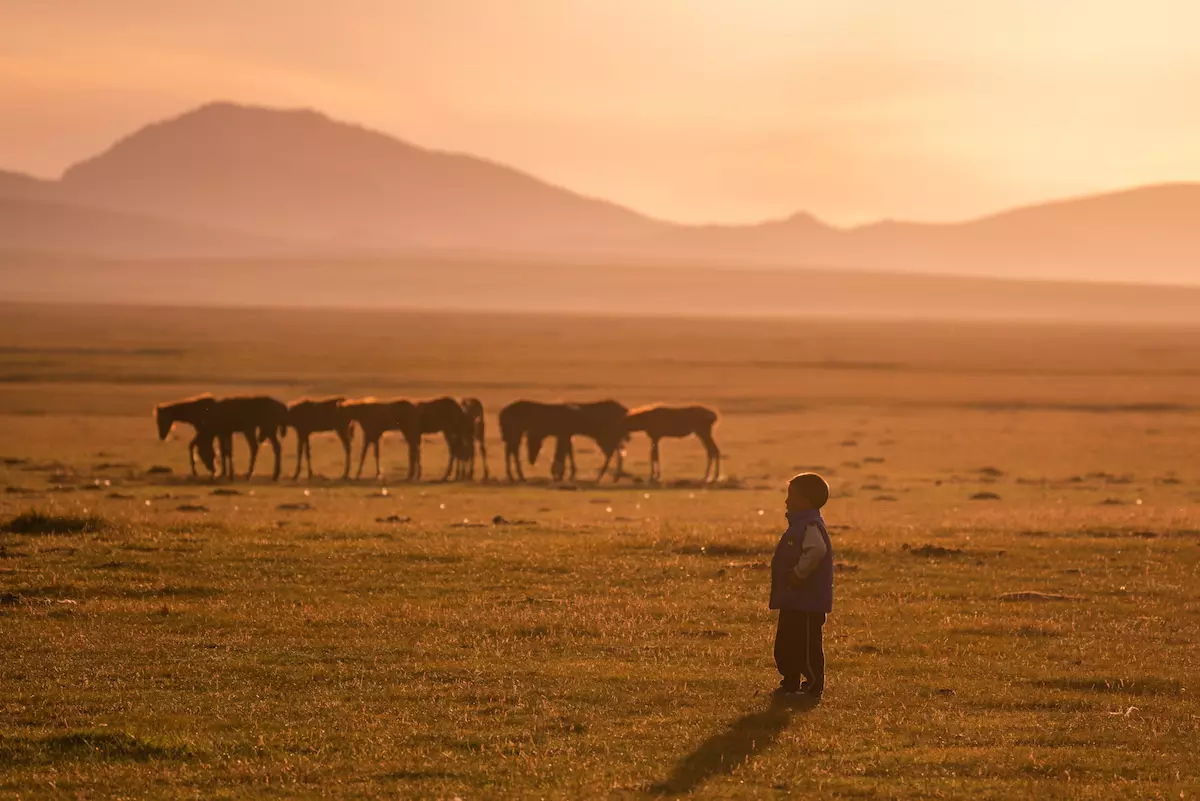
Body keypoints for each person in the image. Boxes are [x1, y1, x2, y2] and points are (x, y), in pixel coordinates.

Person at [770, 472, 833, 699]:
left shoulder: (810, 525)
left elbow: (816, 551)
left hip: (807, 601)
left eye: (791, 496)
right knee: (787, 642)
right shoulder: (800, 524)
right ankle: (790, 683)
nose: (786, 501)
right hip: (793, 599)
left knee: (807, 646)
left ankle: (812, 686)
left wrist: (798, 573)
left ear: (805, 501)